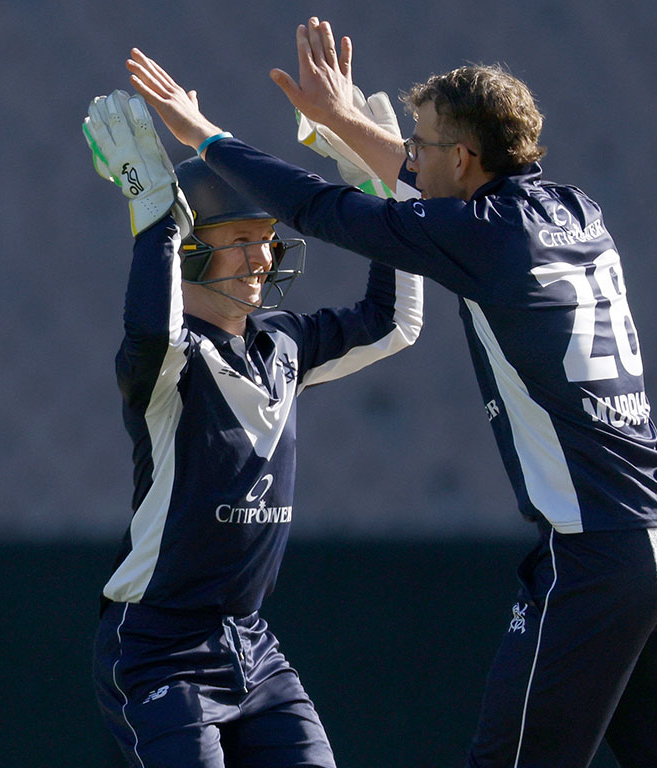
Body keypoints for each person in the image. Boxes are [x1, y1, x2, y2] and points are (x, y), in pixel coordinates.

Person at [124, 16, 657, 768]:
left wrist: (207, 137)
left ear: (463, 156)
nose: (408, 157)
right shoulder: (575, 209)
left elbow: (320, 211)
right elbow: (436, 193)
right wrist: (345, 124)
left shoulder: (478, 237)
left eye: (419, 144)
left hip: (600, 549)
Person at [80, 89, 422, 768]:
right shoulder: (173, 363)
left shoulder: (284, 347)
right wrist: (152, 219)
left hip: (252, 644)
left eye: (266, 237)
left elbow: (395, 322)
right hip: (158, 650)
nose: (261, 255)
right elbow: (151, 331)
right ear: (188, 249)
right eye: (238, 239)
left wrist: (381, 194)